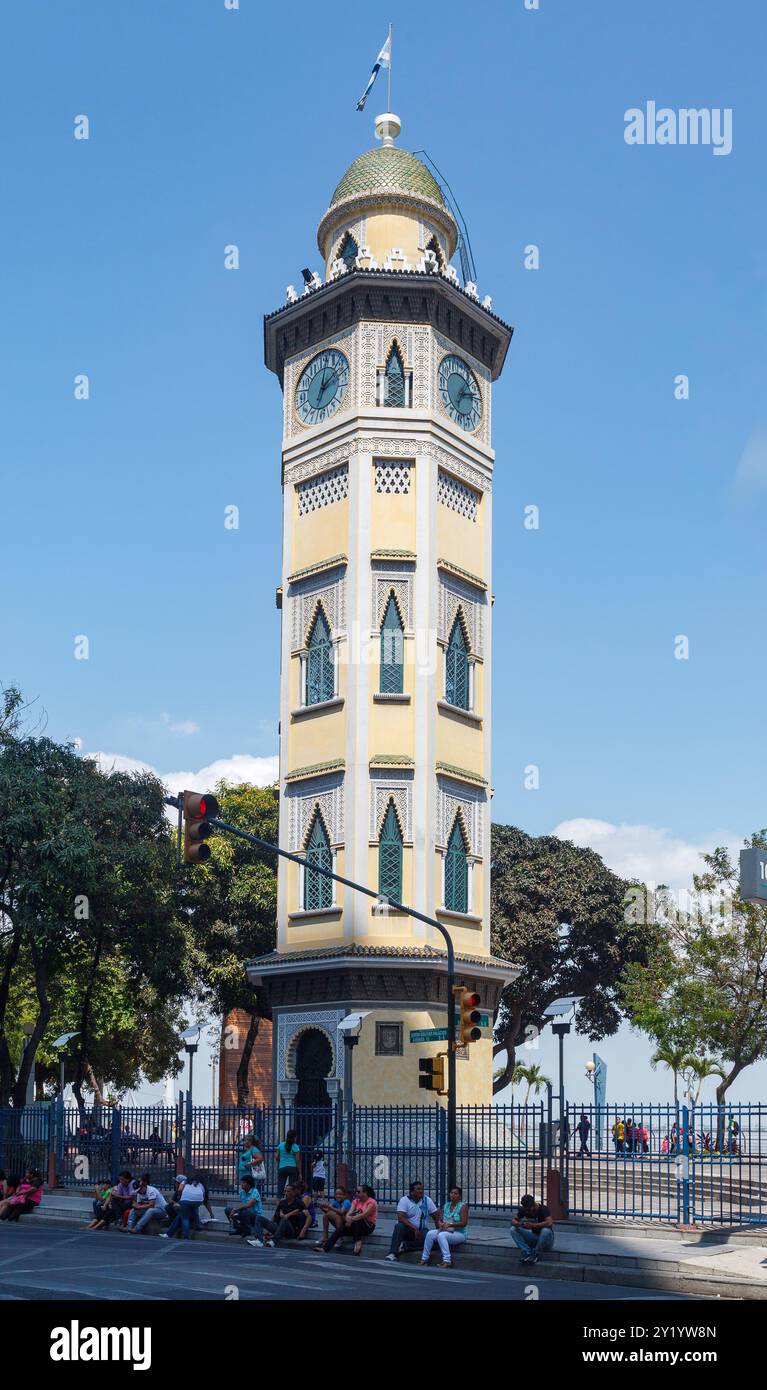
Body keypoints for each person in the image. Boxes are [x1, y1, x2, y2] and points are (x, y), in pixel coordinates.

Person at [317, 1184, 377, 1256]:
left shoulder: (372, 1202)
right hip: (354, 1225)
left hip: (367, 1227)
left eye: (358, 1192)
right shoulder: (355, 1201)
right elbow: (349, 1213)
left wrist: (351, 1219)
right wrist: (348, 1218)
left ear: (365, 1193)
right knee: (340, 1229)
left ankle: (358, 1241)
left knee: (358, 1219)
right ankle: (325, 1248)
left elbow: (364, 1215)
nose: (356, 1193)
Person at [385, 1180, 438, 1261]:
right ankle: (392, 1253)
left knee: (434, 1243)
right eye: (418, 1189)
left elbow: (435, 1216)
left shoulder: (427, 1200)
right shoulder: (404, 1200)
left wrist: (439, 1231)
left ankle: (405, 1246)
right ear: (412, 1192)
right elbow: (401, 1217)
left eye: (422, 1189)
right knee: (399, 1226)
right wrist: (414, 1228)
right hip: (408, 1230)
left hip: (422, 1230)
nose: (421, 1191)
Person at [420, 1186, 468, 1268]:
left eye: (455, 1193)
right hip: (446, 1230)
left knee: (441, 1235)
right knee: (430, 1234)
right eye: (451, 1193)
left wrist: (450, 1224)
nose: (452, 1195)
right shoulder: (446, 1205)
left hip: (459, 1233)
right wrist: (440, 1224)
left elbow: (464, 1223)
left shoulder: (463, 1207)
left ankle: (447, 1260)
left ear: (459, 1196)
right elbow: (441, 1219)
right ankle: (424, 1259)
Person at [159, 1172, 206, 1240]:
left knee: (185, 1218)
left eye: (176, 1182)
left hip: (186, 1201)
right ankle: (197, 1225)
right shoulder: (200, 1184)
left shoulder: (185, 1181)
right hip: (198, 1201)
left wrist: (181, 1197)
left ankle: (185, 1237)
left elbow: (180, 1189)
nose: (175, 1184)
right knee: (182, 1214)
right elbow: (203, 1195)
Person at [510, 1193, 554, 1264]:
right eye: (526, 1210)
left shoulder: (543, 1209)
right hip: (534, 1238)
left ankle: (536, 1254)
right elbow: (513, 1220)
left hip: (547, 1241)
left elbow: (549, 1222)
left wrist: (533, 1225)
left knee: (545, 1231)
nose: (528, 1212)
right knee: (513, 1229)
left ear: (533, 1205)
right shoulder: (523, 1209)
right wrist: (519, 1224)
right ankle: (527, 1252)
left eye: (529, 1210)